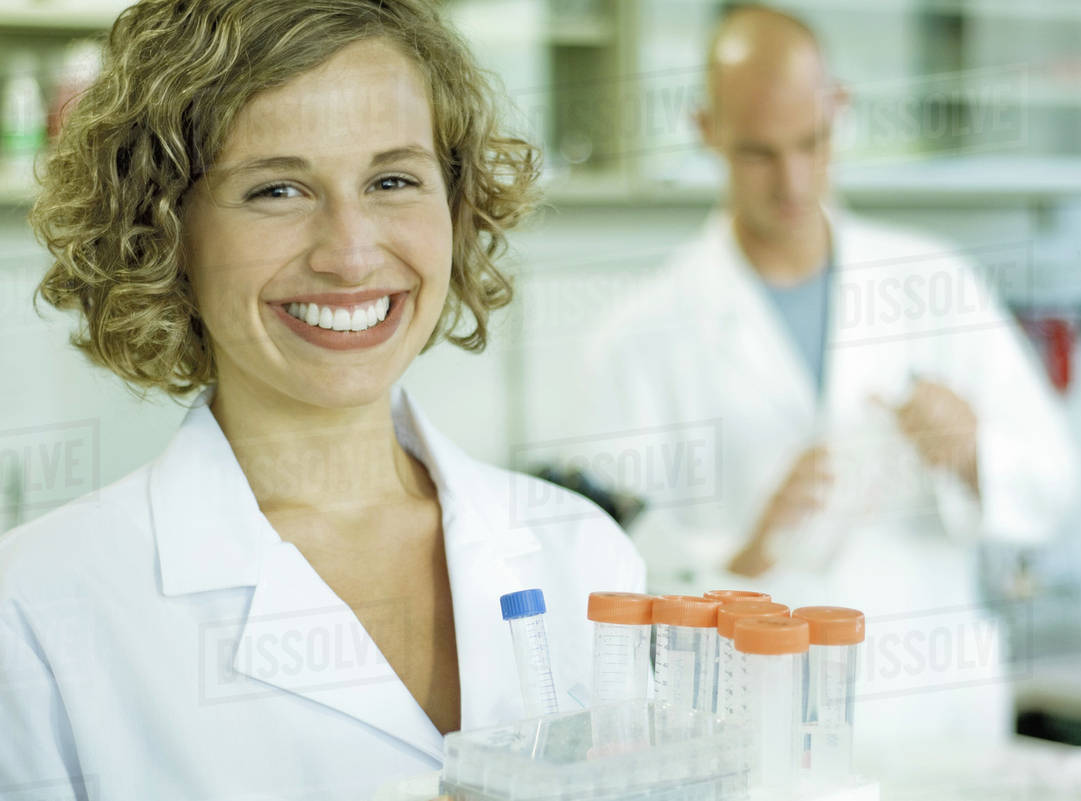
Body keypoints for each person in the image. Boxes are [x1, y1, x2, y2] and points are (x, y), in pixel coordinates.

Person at [0, 1, 644, 798]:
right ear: (163, 231)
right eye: (277, 189)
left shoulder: (582, 552)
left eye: (393, 179)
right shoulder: (37, 607)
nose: (350, 253)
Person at [574, 4, 1079, 755]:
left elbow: (1055, 481)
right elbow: (617, 591)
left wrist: (971, 447)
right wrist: (749, 551)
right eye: (758, 153)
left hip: (935, 721)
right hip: (757, 737)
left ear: (839, 108)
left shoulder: (933, 281)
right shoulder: (639, 340)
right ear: (706, 129)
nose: (794, 179)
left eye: (812, 142)